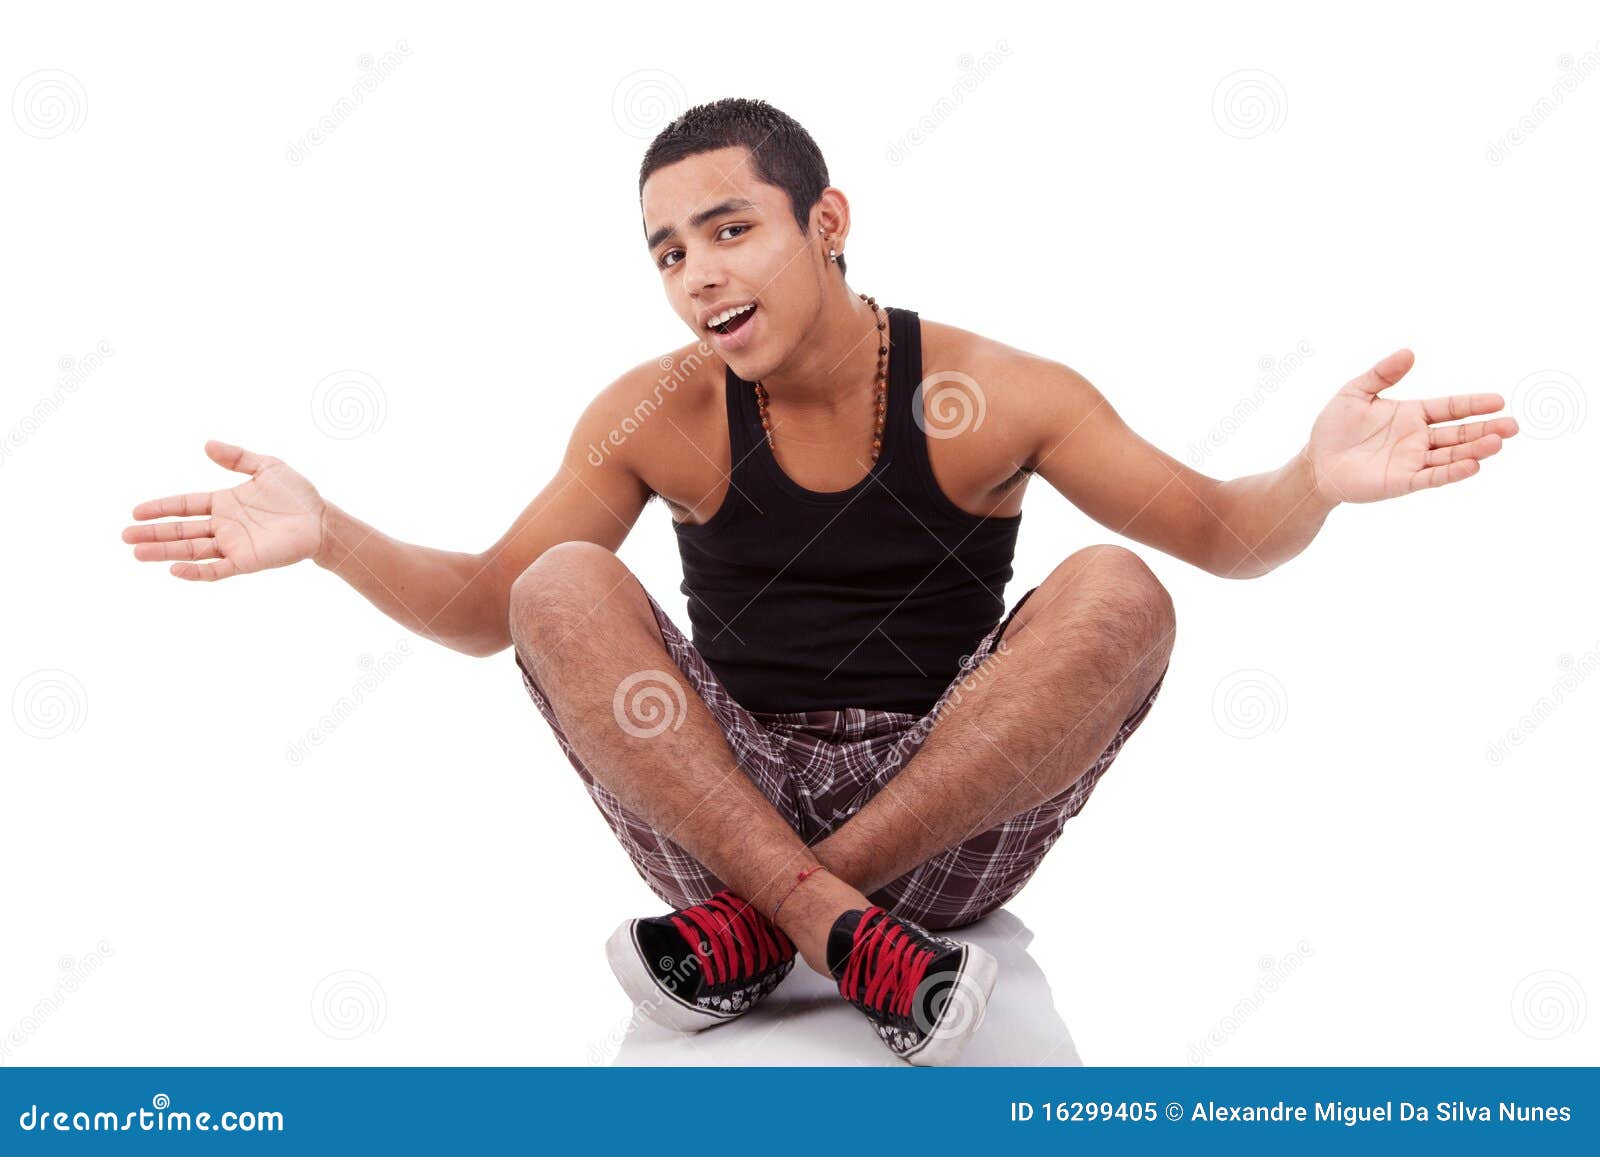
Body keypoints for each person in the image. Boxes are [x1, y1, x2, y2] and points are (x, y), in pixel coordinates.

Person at [122, 98, 1519, 1066]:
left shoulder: (994, 388)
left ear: (827, 219)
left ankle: (773, 928)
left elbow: (1222, 532)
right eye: (669, 252)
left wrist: (1314, 477)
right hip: (718, 805)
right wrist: (330, 532)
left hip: (943, 818)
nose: (697, 276)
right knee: (559, 581)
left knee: (1121, 587)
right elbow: (494, 609)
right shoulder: (657, 410)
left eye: (730, 230)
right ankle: (836, 930)